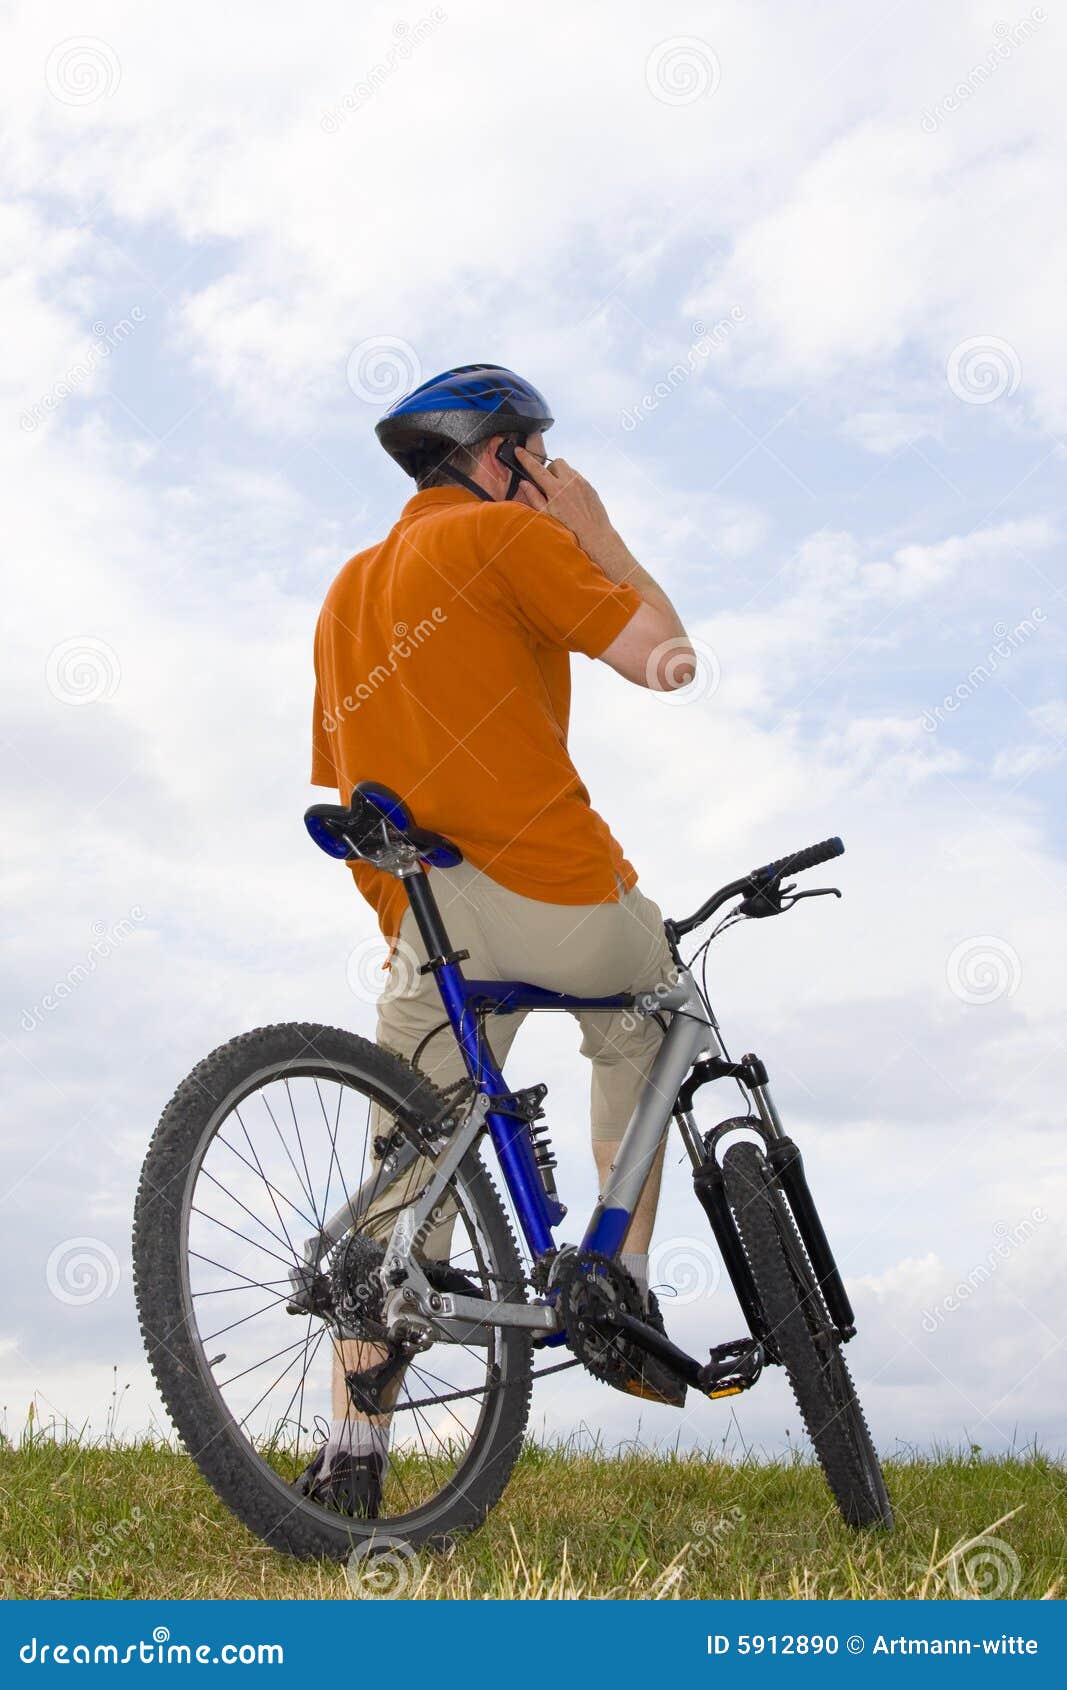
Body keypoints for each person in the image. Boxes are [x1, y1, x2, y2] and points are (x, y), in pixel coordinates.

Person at [306, 364, 696, 1512]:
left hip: (423, 917)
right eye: (542, 454)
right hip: (553, 893)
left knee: (399, 1201)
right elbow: (665, 659)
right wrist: (598, 533)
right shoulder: (505, 536)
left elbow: (346, 769)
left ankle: (348, 1458)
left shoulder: (346, 588)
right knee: (652, 1008)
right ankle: (619, 1284)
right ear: (499, 457)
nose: (553, 473)